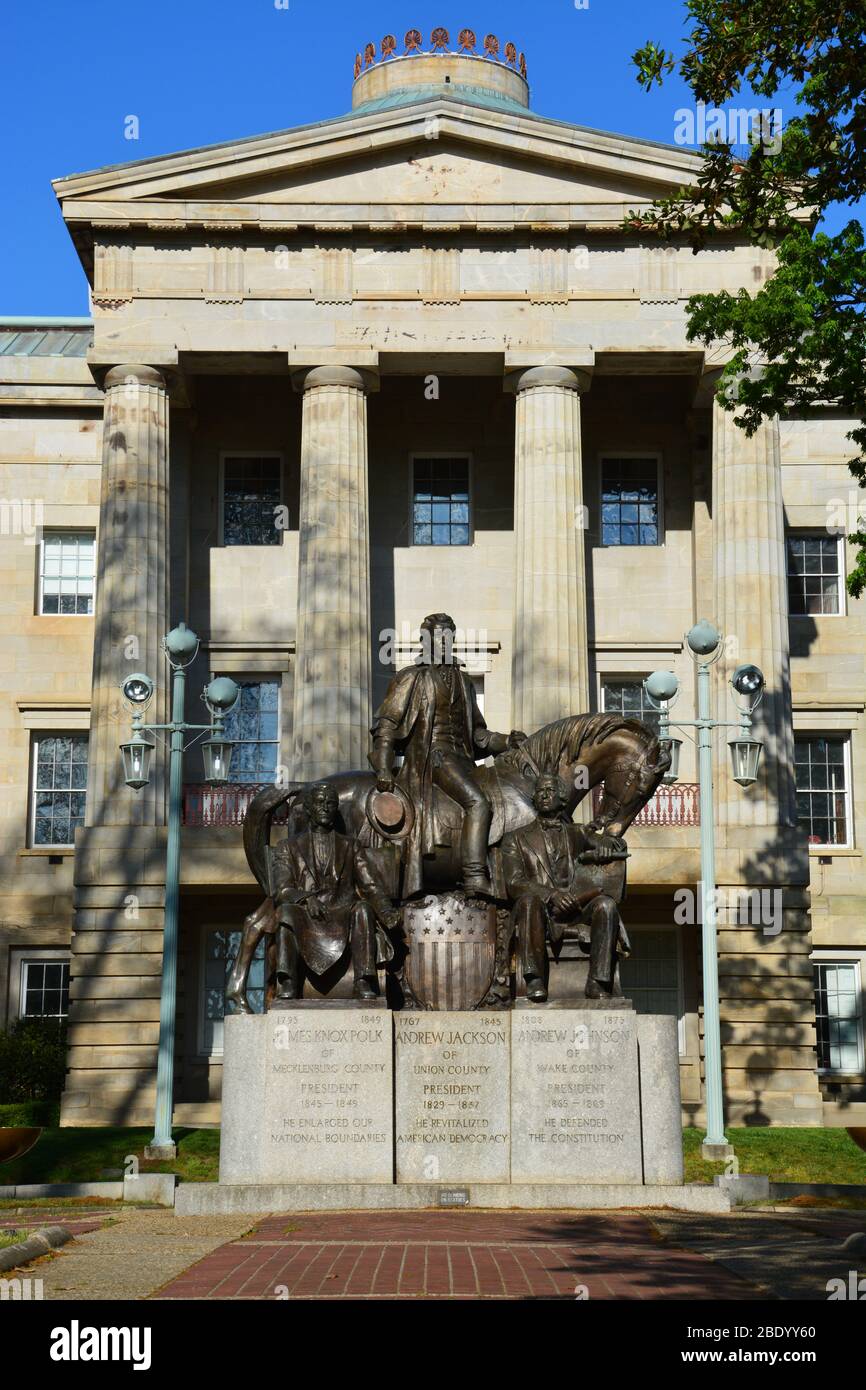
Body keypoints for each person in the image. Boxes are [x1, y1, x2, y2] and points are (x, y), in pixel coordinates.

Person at [369, 612, 525, 898]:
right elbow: (387, 724)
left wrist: (507, 741)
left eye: (449, 636)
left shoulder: (464, 682)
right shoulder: (411, 678)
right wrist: (383, 769)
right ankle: (475, 875)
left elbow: (479, 735)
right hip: (433, 760)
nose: (445, 641)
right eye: (439, 636)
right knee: (478, 802)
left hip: (465, 760)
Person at [501, 772, 630, 1002]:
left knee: (606, 905)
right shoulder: (515, 838)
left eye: (550, 790)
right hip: (540, 911)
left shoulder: (577, 832)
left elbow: (613, 842)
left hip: (576, 909)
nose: (544, 795)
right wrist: (552, 895)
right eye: (540, 791)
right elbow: (514, 883)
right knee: (529, 901)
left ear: (562, 798)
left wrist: (606, 847)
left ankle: (597, 981)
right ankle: (535, 980)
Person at [271, 781, 391, 1000]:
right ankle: (288, 982)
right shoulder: (287, 847)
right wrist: (306, 899)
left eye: (330, 803)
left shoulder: (350, 845)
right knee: (286, 912)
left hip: (342, 910)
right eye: (319, 803)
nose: (325, 808)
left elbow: (370, 884)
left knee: (363, 909)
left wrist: (386, 910)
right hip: (306, 913)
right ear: (308, 809)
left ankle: (363, 980)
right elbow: (282, 889)